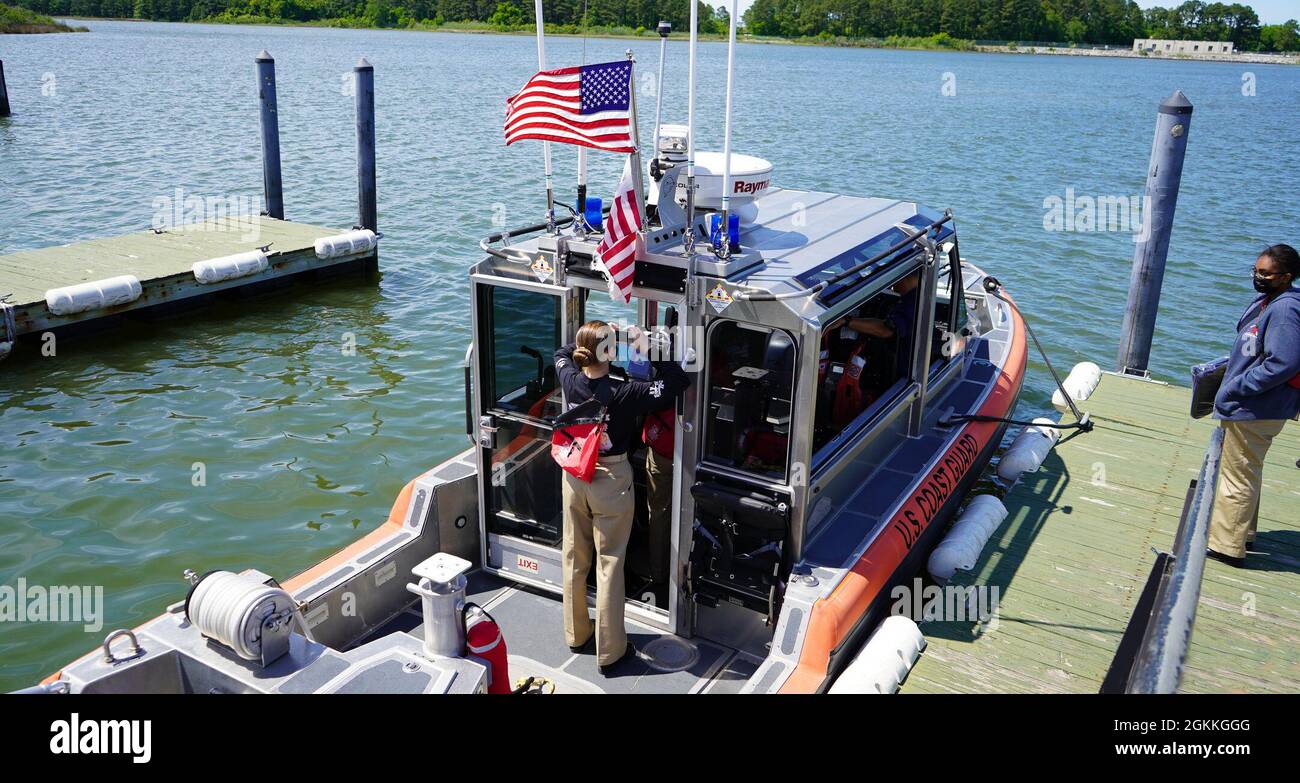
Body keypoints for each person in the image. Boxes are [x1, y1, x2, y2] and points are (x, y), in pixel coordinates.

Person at [554, 321, 690, 673]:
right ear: (610, 353)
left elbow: (563, 353)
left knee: (573, 556)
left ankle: (576, 634)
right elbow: (676, 382)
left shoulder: (569, 377)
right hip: (611, 481)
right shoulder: (627, 391)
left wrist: (594, 338)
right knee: (610, 562)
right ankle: (611, 652)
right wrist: (646, 346)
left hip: (574, 477)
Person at [1207, 244, 1300, 567]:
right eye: (1255, 271)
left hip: (1257, 408)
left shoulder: (1286, 310)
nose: (1257, 277)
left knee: (1237, 476)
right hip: (1256, 406)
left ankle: (1226, 546)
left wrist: (1237, 388)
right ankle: (1241, 532)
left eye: (1265, 273)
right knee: (1245, 470)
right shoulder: (1272, 302)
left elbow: (1284, 362)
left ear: (1286, 277)